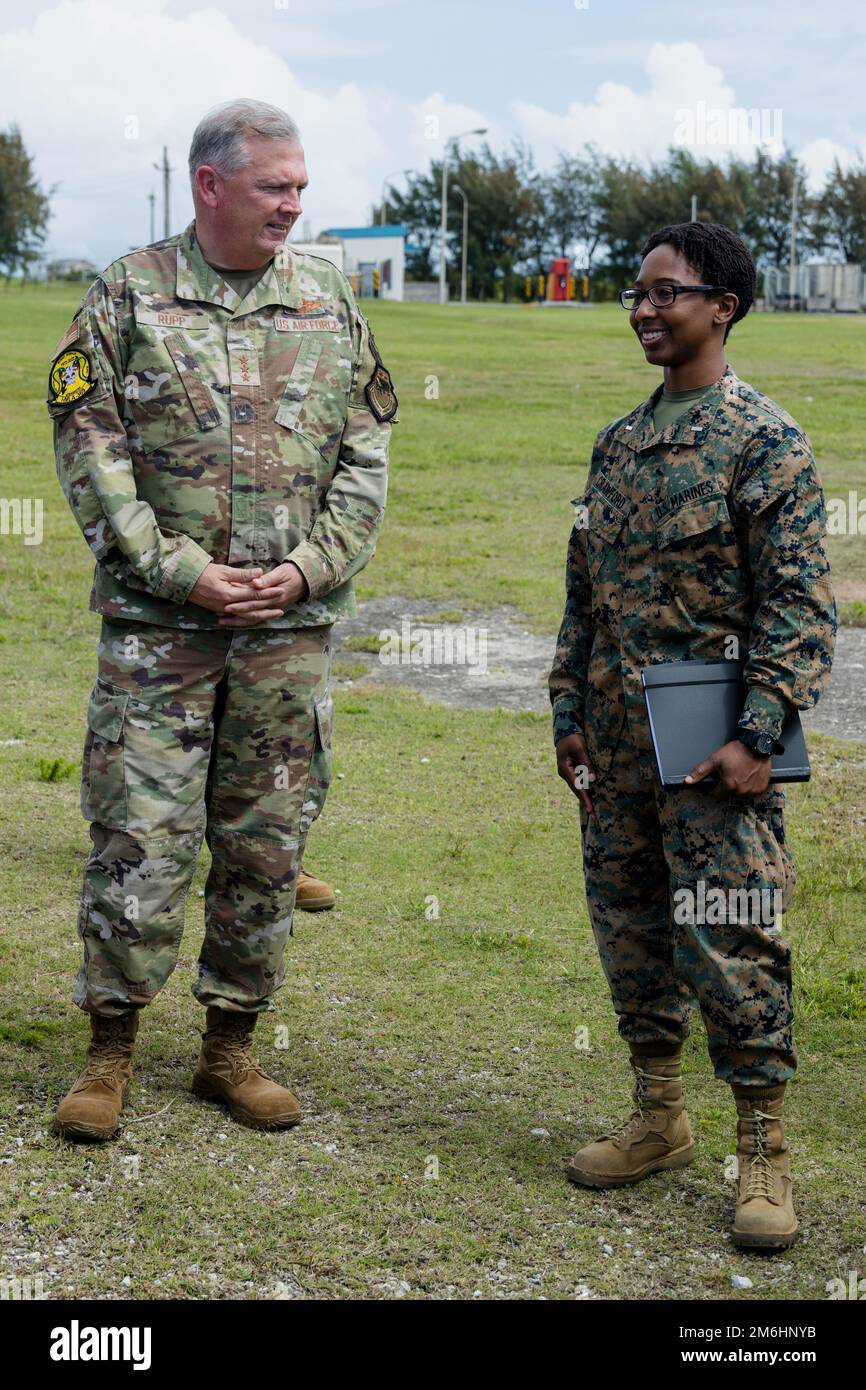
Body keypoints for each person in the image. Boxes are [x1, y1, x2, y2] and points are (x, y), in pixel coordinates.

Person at [48, 98, 395, 1141]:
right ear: (210, 186)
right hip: (163, 634)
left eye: (298, 186)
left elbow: (366, 452)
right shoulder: (127, 296)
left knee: (266, 838)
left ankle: (229, 1047)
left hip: (287, 633)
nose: (294, 204)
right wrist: (182, 571)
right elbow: (91, 450)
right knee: (137, 834)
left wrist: (305, 570)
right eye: (273, 187)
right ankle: (110, 1051)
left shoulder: (330, 297)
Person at [549, 222, 835, 1248]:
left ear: (722, 305)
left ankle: (760, 1148)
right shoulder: (617, 444)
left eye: (664, 292)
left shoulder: (764, 442)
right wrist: (566, 713)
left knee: (730, 933)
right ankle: (657, 1115)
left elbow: (798, 608)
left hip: (714, 749)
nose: (642, 308)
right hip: (618, 749)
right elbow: (583, 597)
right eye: (636, 292)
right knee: (629, 931)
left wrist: (759, 732)